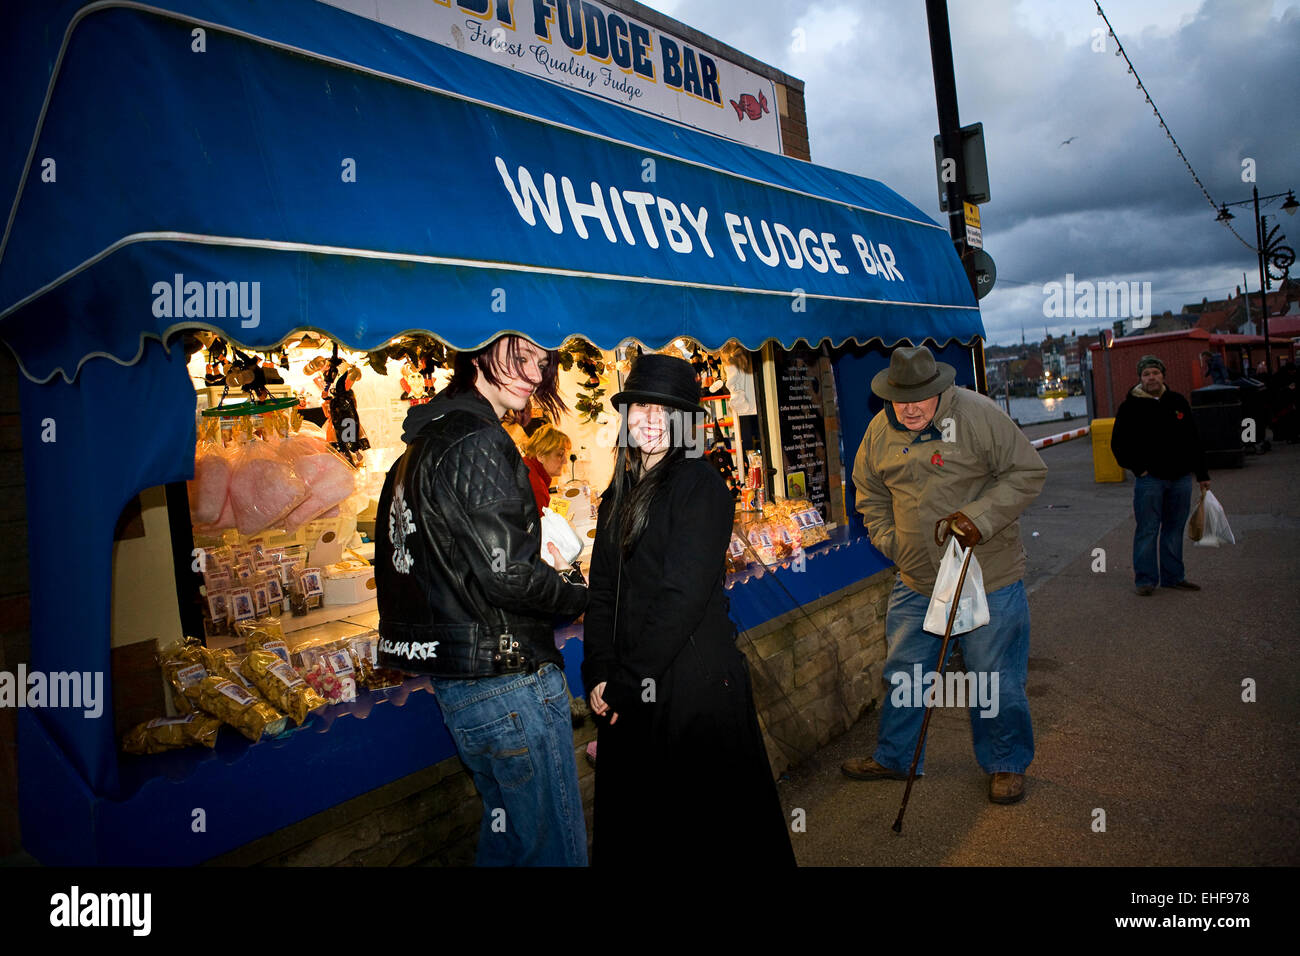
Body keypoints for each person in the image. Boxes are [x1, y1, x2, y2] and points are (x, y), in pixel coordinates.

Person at [374, 334, 590, 866]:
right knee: (552, 853)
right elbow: (509, 575)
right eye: (520, 355)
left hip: (464, 685)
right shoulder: (477, 439)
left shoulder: (422, 444)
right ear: (474, 348)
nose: (534, 373)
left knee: (510, 844)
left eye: (543, 362)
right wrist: (579, 595)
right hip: (509, 679)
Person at [581, 353, 795, 866]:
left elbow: (682, 597)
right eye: (641, 407)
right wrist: (598, 672)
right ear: (627, 414)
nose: (651, 420)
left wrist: (627, 684)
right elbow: (604, 592)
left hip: (692, 688)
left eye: (666, 410)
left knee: (706, 833)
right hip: (633, 685)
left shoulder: (700, 486)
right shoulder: (618, 495)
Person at [840, 346, 1047, 805]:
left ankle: (1006, 763)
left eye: (921, 396)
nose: (910, 407)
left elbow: (1027, 472)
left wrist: (980, 516)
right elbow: (868, 491)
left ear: (940, 389)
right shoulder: (880, 430)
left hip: (986, 577)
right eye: (900, 398)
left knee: (994, 676)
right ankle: (897, 758)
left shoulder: (978, 415)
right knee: (904, 674)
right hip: (916, 580)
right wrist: (891, 540)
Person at [1110, 354, 1211, 596]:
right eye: (1146, 374)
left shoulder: (1177, 402)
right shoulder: (1129, 407)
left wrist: (1202, 473)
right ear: (1140, 379)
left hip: (1181, 479)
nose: (1151, 377)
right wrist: (1139, 469)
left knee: (1174, 529)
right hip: (1150, 480)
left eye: (1155, 373)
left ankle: (1174, 577)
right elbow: (1118, 444)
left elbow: (1193, 438)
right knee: (1147, 529)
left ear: (1163, 375)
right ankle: (1145, 580)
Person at [522, 424, 572, 516]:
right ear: (541, 456)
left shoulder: (527, 469)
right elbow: (542, 528)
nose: (565, 461)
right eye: (560, 455)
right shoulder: (535, 485)